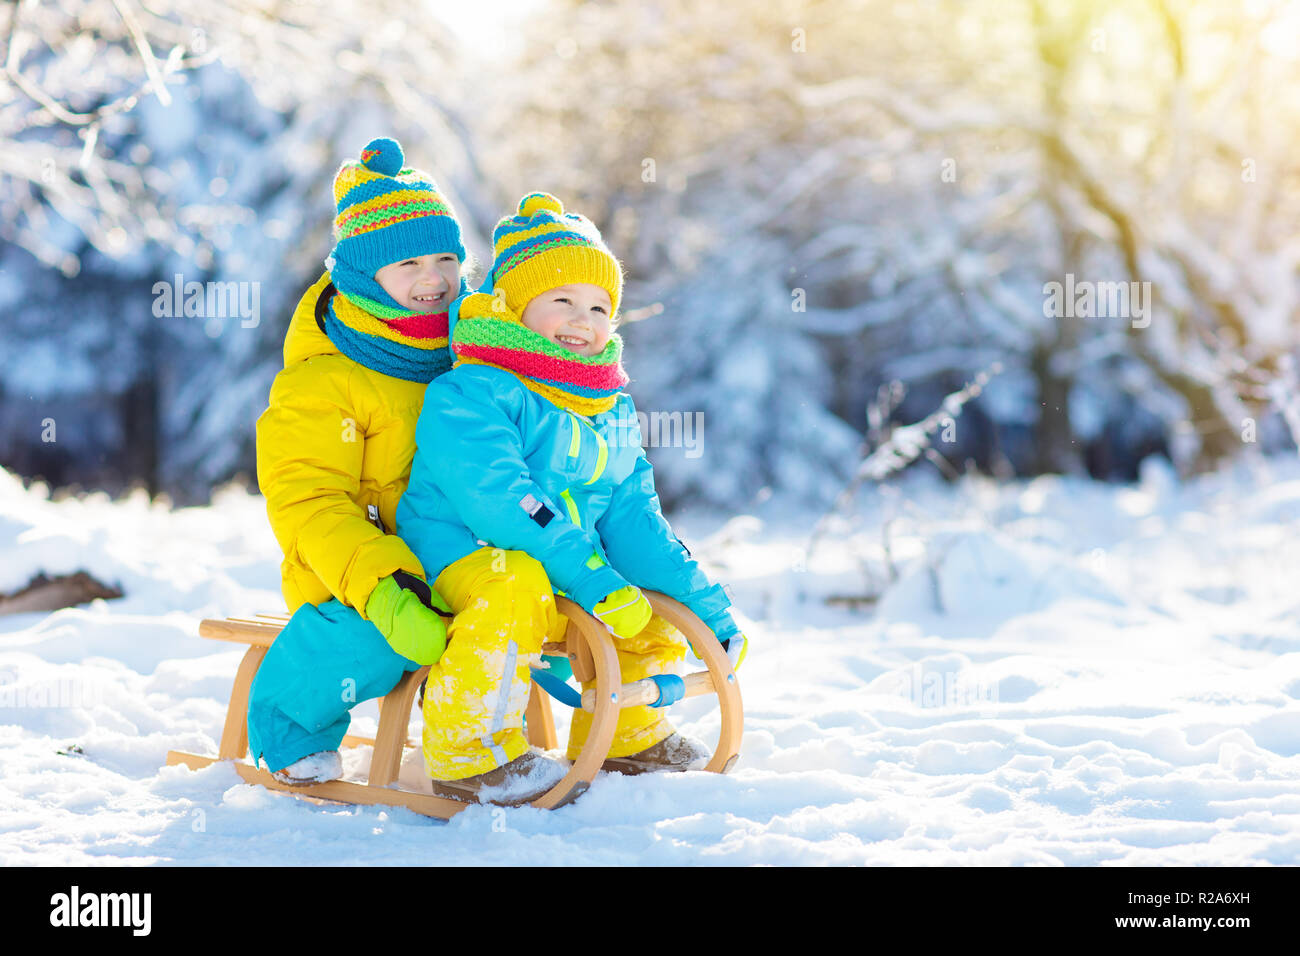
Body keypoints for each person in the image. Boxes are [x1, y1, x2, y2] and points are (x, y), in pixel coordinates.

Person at [397, 192, 747, 803]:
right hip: (461, 558)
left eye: (599, 305)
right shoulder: (474, 392)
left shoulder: (610, 409)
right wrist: (589, 577)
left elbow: (637, 521)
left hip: (560, 569)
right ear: (513, 308)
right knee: (516, 582)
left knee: (644, 595)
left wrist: (703, 608)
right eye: (561, 300)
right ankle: (469, 753)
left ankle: (629, 736)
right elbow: (505, 503)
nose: (583, 319)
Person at [246, 137, 469, 785]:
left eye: (445, 257)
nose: (434, 279)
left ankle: (483, 734)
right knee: (369, 640)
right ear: (366, 275)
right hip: (354, 572)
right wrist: (382, 582)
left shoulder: (470, 354)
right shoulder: (326, 377)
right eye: (408, 265)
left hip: (456, 554)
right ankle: (292, 723)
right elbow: (308, 499)